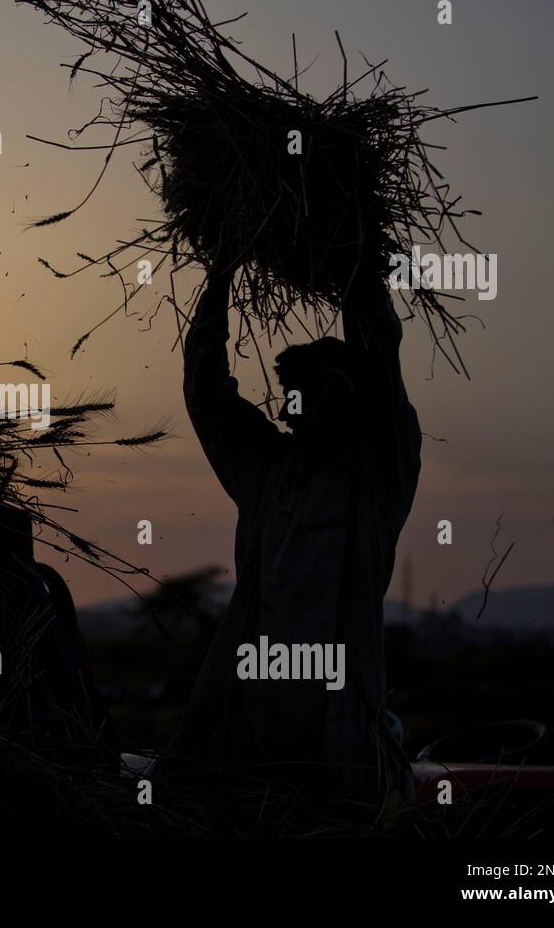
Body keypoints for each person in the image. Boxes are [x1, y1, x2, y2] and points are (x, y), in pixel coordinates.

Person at [165, 263, 420, 806]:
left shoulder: (376, 482)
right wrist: (220, 275)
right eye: (288, 394)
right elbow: (208, 396)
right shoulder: (268, 473)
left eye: (304, 392)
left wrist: (356, 258)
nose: (287, 408)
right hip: (253, 746)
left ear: (347, 395)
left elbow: (382, 365)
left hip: (340, 750)